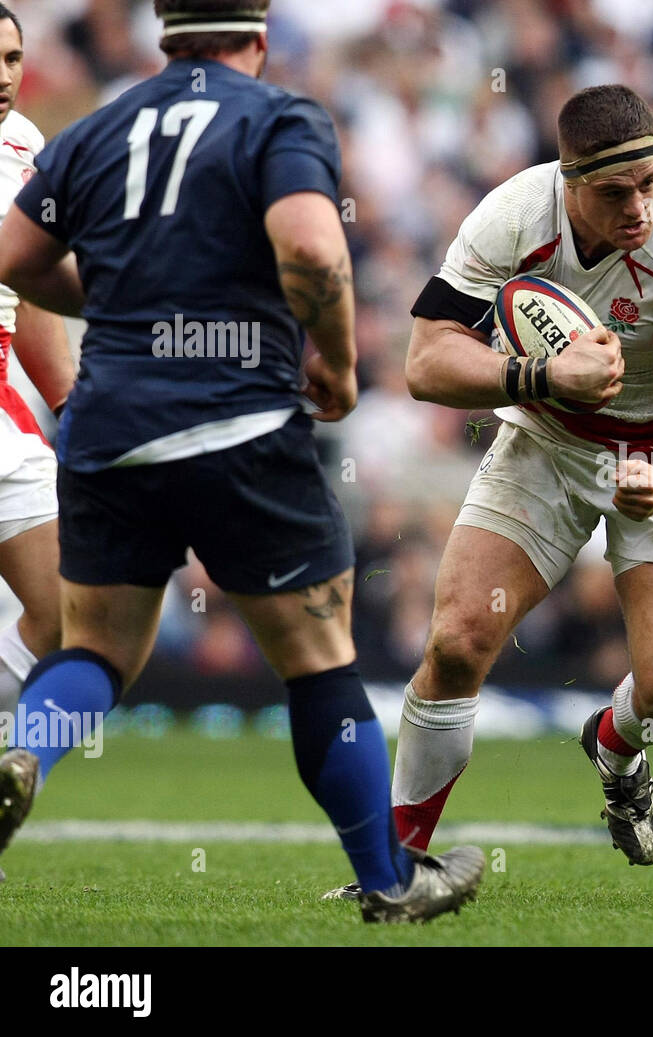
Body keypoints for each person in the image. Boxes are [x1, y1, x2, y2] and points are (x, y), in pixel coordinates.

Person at [0, 0, 482, 923]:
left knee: (96, 647)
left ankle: (26, 753)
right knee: (318, 660)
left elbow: (16, 258)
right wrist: (336, 361)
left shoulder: (99, 124)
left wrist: (123, 302)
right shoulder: (277, 115)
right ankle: (387, 878)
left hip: (109, 426)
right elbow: (308, 243)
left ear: (165, 37)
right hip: (240, 421)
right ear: (258, 40)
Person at [384, 84, 653, 868]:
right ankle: (398, 866)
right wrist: (540, 378)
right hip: (551, 437)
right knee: (457, 639)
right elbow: (427, 362)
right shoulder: (515, 215)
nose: (640, 208)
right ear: (569, 185)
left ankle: (614, 741)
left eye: (650, 182)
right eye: (614, 191)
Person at [0, 3, 77, 733]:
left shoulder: (24, 144)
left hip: (2, 411)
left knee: (64, 613)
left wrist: (69, 397)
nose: (2, 77)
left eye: (12, 59)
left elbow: (29, 283)